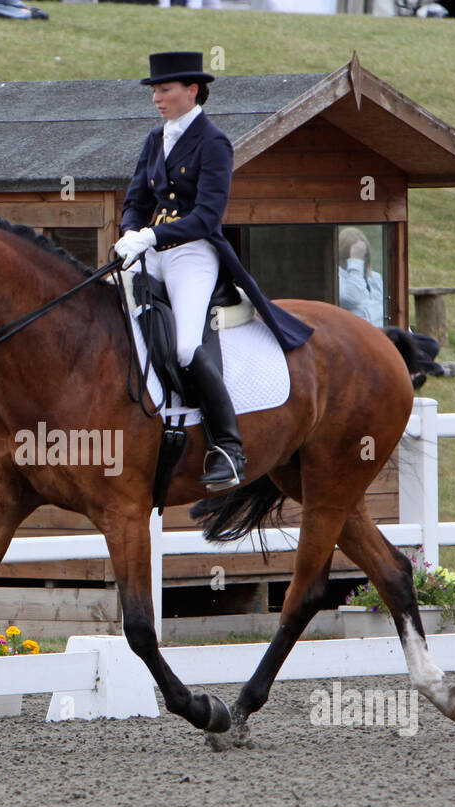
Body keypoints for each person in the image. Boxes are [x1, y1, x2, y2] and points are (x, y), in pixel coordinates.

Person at [114, 51, 313, 491]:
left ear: (191, 90)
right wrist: (131, 234)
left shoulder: (214, 142)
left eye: (164, 90)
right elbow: (135, 202)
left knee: (185, 346)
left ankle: (228, 446)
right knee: (106, 322)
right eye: (154, 91)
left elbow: (207, 216)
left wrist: (150, 237)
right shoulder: (154, 140)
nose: (156, 99)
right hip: (148, 252)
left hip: (191, 253)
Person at [337, 226, 455, 380]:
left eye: (364, 255)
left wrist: (406, 333)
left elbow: (387, 306)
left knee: (429, 344)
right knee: (396, 345)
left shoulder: (374, 278)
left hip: (388, 331)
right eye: (358, 255)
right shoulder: (339, 278)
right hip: (364, 336)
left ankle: (412, 369)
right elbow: (352, 297)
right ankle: (437, 370)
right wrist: (354, 263)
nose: (363, 259)